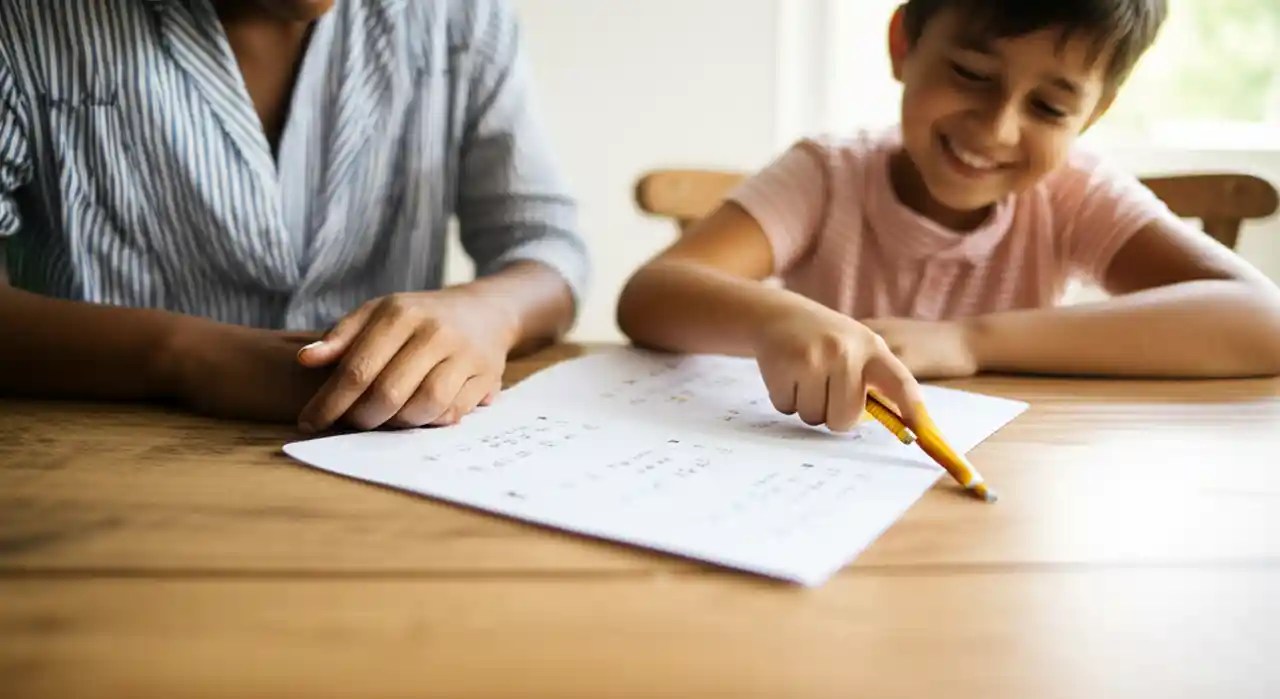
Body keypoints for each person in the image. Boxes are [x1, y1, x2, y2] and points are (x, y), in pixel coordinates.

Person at [617, 0, 1280, 432]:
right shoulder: (827, 175)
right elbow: (650, 296)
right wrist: (779, 320)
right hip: (821, 477)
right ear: (905, 44)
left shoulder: (1075, 195)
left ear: (1094, 115)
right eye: (970, 72)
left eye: (1049, 109)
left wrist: (970, 341)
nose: (997, 129)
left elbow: (1263, 321)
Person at [0, 0, 589, 432]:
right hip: (93, 449)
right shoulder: (29, 23)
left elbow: (547, 245)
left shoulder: (457, 17)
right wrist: (190, 356)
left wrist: (489, 312)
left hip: (390, 456)